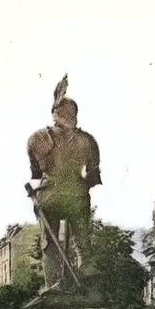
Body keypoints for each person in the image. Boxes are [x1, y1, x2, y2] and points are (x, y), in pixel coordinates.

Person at [26, 78, 101, 291]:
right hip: (77, 195)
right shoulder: (88, 140)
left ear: (55, 114)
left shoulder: (38, 138)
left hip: (48, 195)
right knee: (82, 236)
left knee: (50, 243)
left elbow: (37, 171)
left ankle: (54, 282)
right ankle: (85, 263)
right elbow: (93, 178)